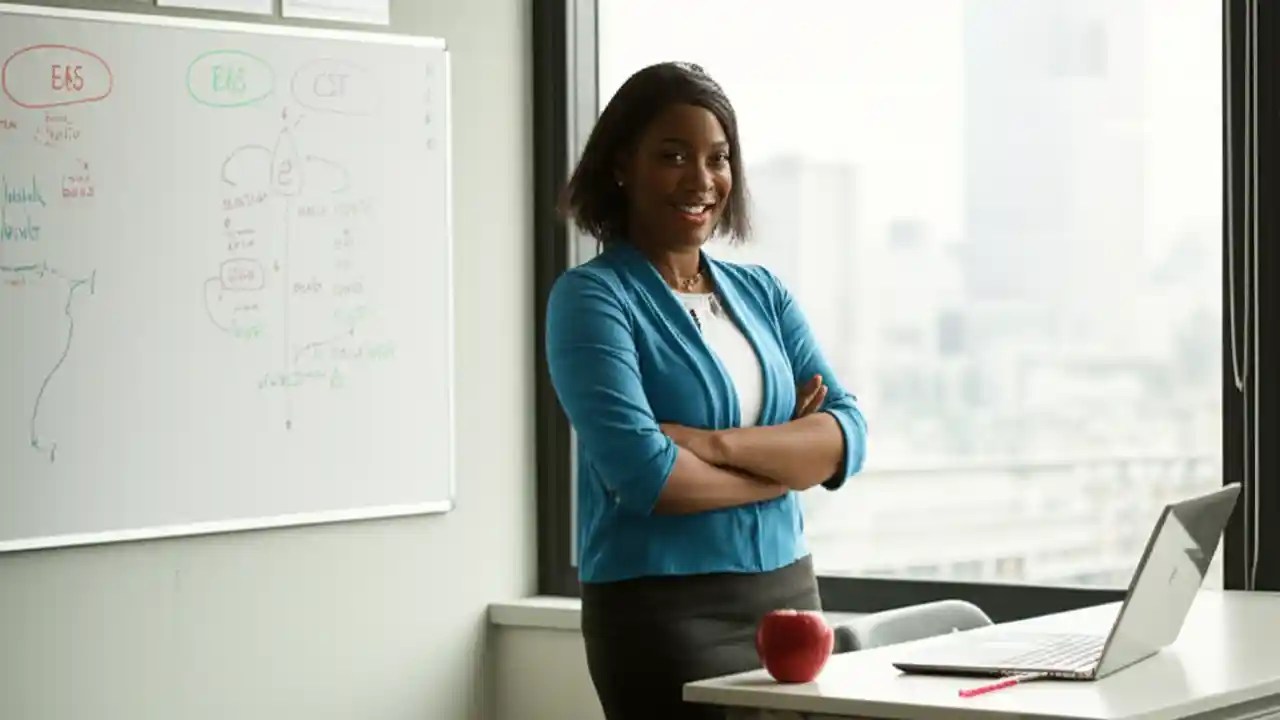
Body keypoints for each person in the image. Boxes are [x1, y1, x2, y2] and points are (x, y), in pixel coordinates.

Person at [544, 61, 869, 719]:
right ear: (621, 166)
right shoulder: (592, 298)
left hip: (788, 600)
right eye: (673, 156)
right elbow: (648, 479)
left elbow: (846, 436)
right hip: (661, 612)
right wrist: (785, 468)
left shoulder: (763, 293)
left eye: (718, 159)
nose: (702, 180)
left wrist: (708, 443)